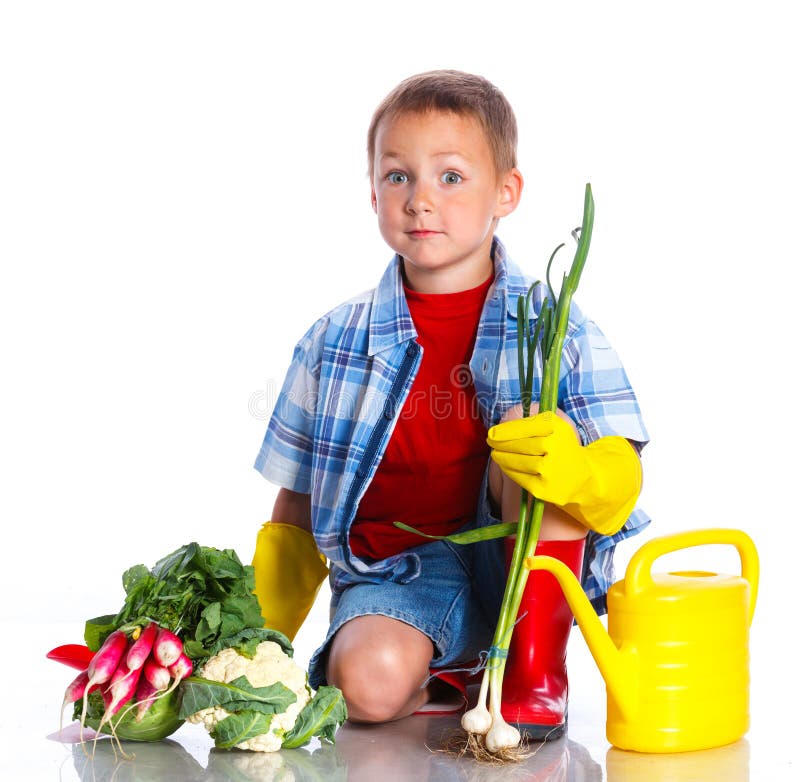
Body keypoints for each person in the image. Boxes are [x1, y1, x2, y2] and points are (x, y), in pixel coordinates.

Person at [251, 70, 649, 738]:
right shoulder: (332, 340)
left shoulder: (557, 328)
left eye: (452, 177)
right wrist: (257, 642)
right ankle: (445, 671)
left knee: (535, 432)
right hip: (397, 577)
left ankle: (532, 675)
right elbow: (295, 504)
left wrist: (580, 473)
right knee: (366, 688)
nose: (420, 201)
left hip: (520, 568)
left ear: (506, 192)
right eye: (398, 176)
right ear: (373, 191)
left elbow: (621, 461)